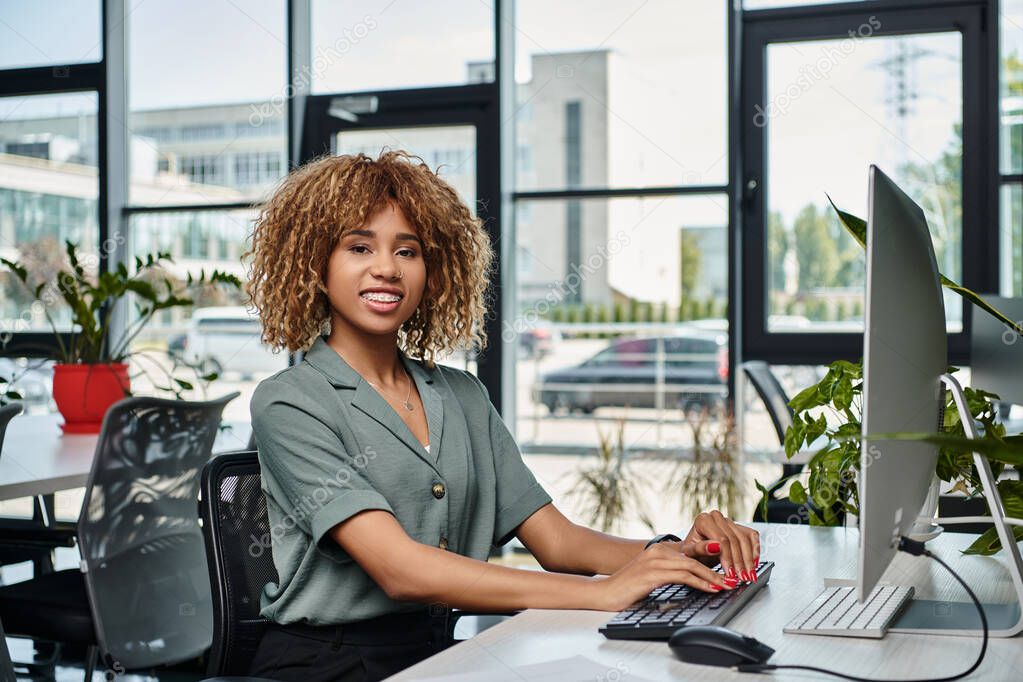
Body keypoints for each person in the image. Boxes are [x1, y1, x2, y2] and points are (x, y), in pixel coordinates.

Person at [242, 150, 760, 682]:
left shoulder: (462, 395)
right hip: (326, 665)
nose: (387, 268)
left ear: (432, 271)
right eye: (358, 247)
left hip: (440, 654)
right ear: (316, 267)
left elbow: (557, 542)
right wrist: (601, 594)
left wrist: (672, 554)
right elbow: (400, 570)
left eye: (408, 250)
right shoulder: (291, 402)